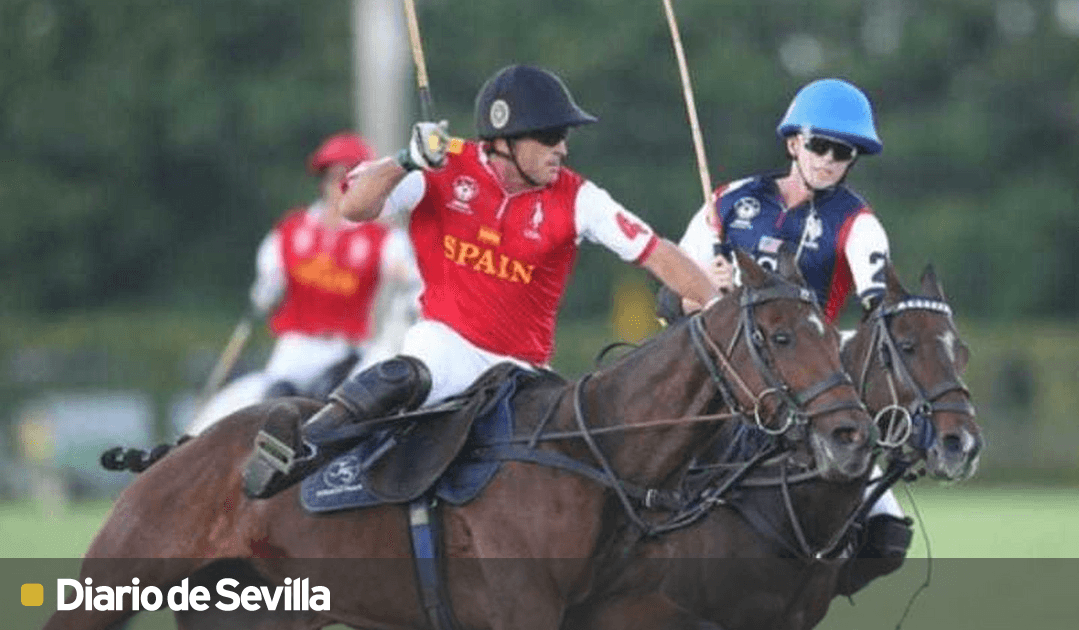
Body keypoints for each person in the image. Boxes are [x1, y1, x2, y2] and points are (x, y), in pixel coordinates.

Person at [244, 64, 721, 498]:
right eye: (552, 135)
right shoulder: (441, 164)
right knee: (407, 370)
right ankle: (304, 448)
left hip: (524, 370)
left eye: (565, 136)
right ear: (506, 137)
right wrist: (406, 159)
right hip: (447, 342)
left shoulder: (578, 196)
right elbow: (353, 206)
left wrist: (717, 303)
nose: (563, 148)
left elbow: (656, 252)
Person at [676, 78, 910, 596]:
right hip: (716, 378)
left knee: (888, 537)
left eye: (842, 152)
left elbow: (880, 308)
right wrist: (702, 291)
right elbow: (668, 300)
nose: (828, 160)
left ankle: (803, 597)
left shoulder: (857, 221)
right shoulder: (730, 202)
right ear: (792, 144)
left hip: (802, 389)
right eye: (819, 145)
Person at [246, 132, 418, 401]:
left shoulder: (381, 237)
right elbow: (269, 280)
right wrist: (265, 292)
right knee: (271, 404)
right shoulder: (291, 229)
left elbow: (414, 278)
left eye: (351, 178)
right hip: (296, 347)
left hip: (348, 351)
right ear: (323, 181)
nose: (340, 186)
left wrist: (409, 296)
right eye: (334, 177)